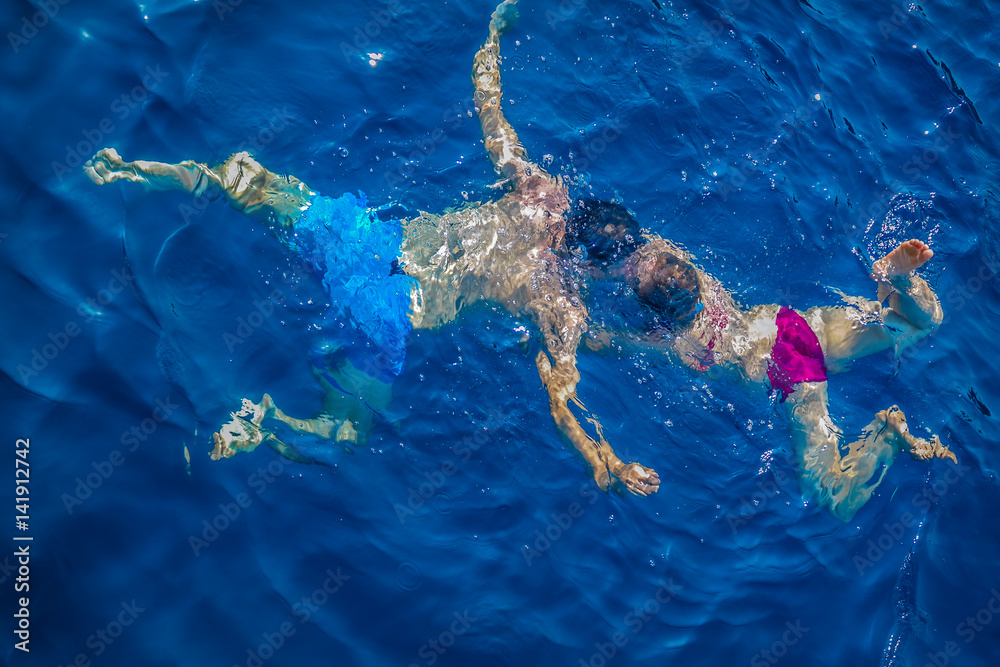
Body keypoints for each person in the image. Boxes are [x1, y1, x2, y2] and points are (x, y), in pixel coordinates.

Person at [83, 0, 661, 497]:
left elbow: (490, 105)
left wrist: (491, 34)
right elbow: (562, 397)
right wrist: (604, 463)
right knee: (348, 435)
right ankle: (268, 420)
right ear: (589, 262)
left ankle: (131, 171)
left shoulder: (538, 188)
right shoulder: (560, 298)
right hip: (390, 312)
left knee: (262, 188)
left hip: (369, 239)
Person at [565, 198, 956, 521]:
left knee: (834, 498)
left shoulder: (667, 342)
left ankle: (887, 433)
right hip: (788, 323)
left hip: (788, 370)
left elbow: (600, 341)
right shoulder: (678, 263)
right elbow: (640, 253)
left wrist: (575, 322)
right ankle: (895, 280)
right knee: (922, 322)